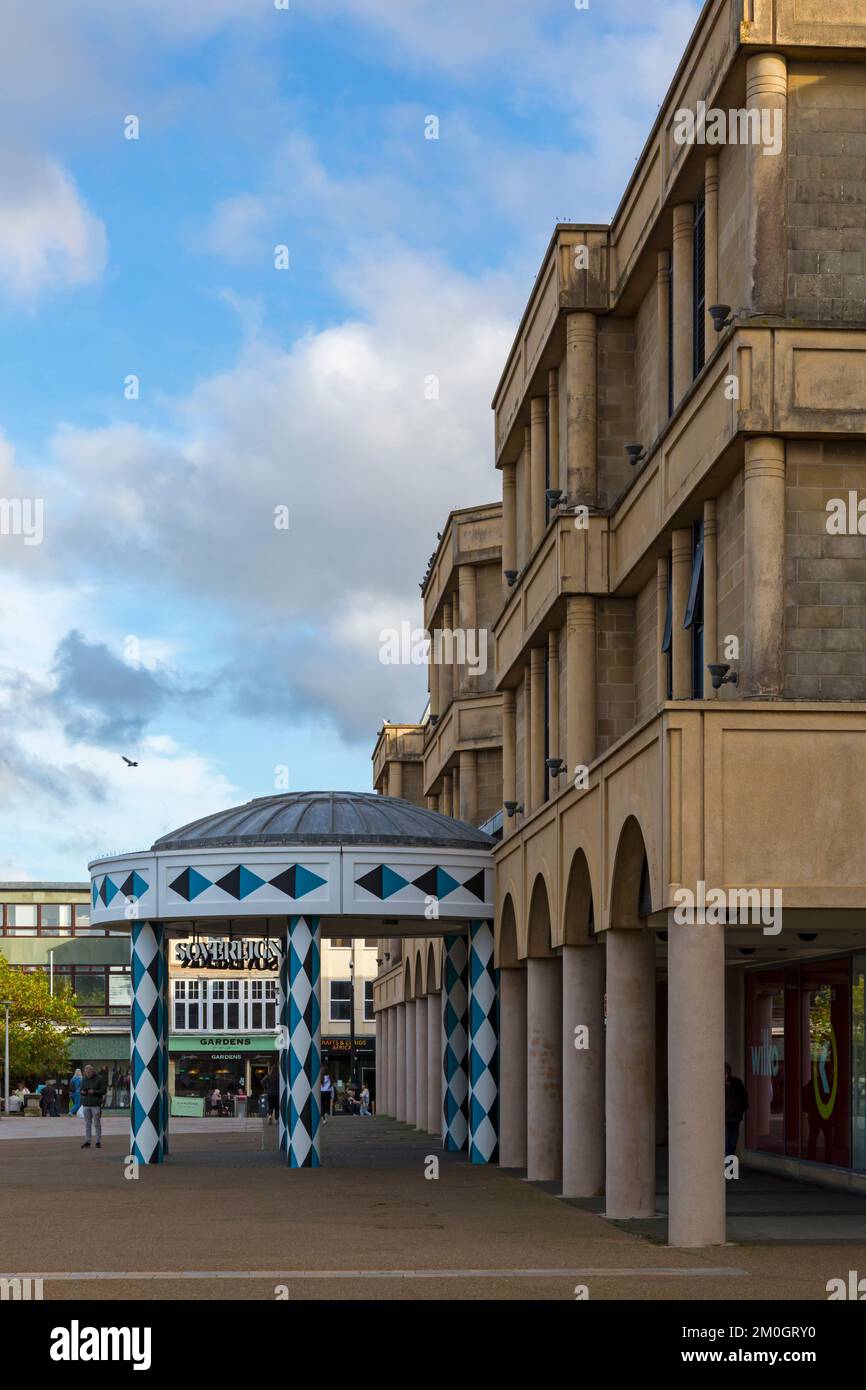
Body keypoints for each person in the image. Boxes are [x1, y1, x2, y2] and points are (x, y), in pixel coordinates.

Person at [80, 1064, 107, 1148]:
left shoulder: (99, 1079)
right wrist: (82, 1092)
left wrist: (94, 1091)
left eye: (89, 1072)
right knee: (87, 1124)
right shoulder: (84, 1079)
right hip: (86, 1104)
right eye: (86, 1073)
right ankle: (87, 1141)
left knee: (97, 1124)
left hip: (95, 1104)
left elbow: (103, 1091)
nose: (87, 1074)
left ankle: (98, 1141)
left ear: (92, 1071)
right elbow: (81, 1089)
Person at [725, 1063, 748, 1157]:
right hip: (722, 1117)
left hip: (734, 1117)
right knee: (724, 1139)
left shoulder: (737, 1082)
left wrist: (741, 1110)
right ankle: (726, 1158)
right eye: (724, 1073)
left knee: (733, 1138)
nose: (725, 1075)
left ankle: (729, 1157)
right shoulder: (716, 1084)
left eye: (727, 1073)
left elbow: (744, 1097)